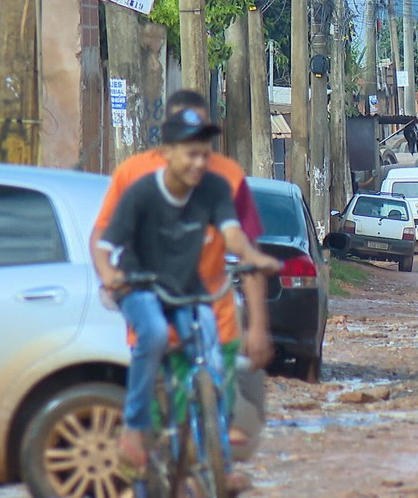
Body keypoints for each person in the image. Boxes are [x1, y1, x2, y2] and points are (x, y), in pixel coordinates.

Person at [92, 108, 280, 476]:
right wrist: (110, 274)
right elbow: (103, 244)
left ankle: (210, 446)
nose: (199, 162)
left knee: (212, 351)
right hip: (141, 285)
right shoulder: (142, 193)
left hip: (186, 287)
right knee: (157, 334)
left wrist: (253, 256)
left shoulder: (212, 189)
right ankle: (134, 425)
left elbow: (232, 233)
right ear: (168, 153)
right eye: (190, 153)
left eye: (204, 153)